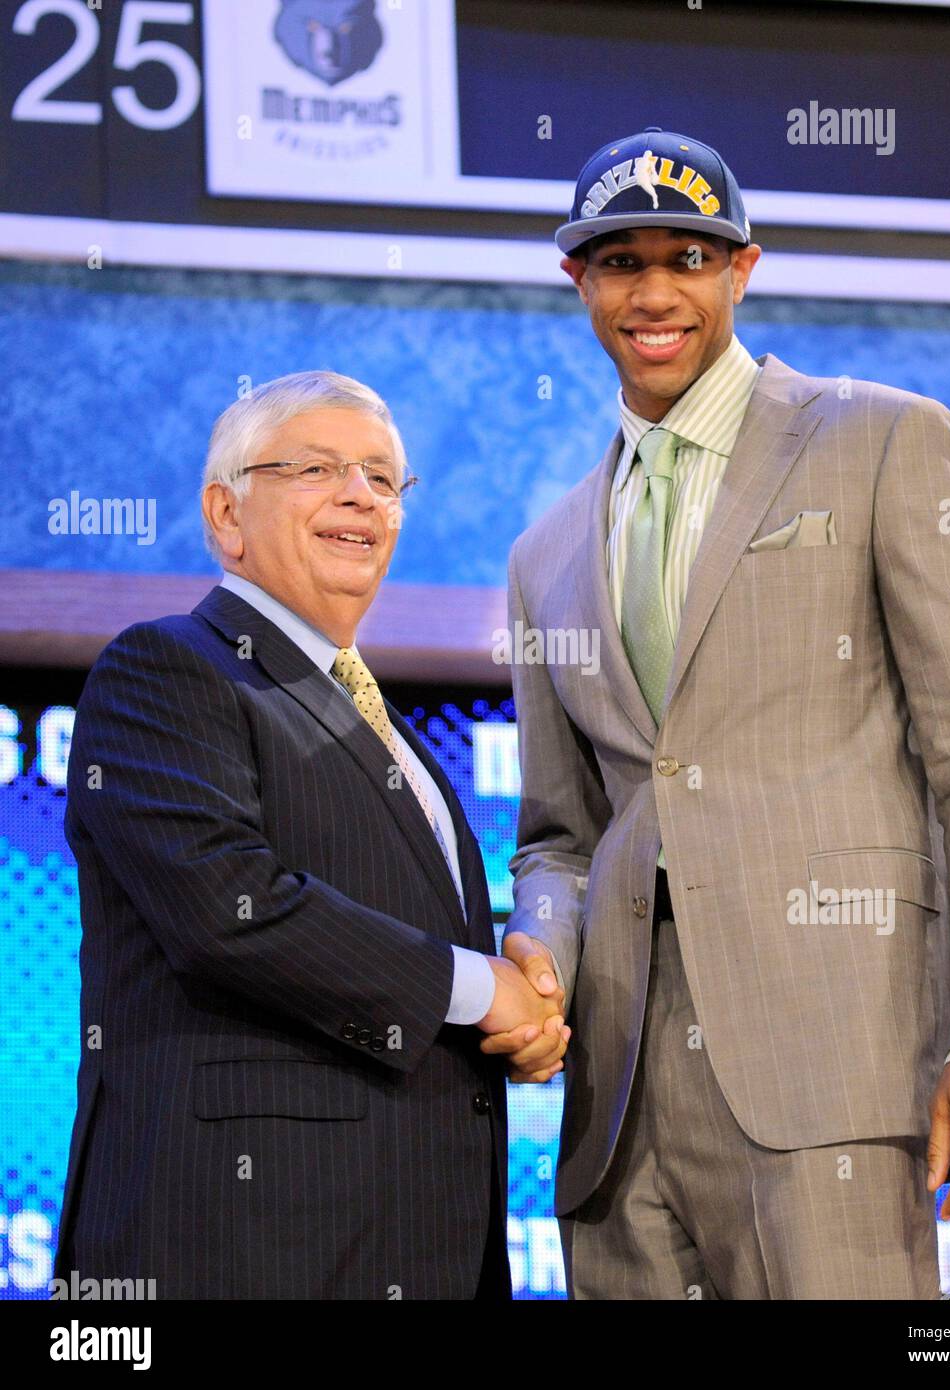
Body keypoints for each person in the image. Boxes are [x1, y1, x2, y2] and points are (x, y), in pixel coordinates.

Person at [490, 128, 950, 1299]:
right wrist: (540, 947)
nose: (654, 292)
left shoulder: (879, 438)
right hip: (616, 1107)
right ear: (577, 281)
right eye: (619, 261)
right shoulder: (543, 552)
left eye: (688, 257)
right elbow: (558, 831)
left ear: (741, 269)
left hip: (830, 1068)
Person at [55, 370, 566, 1300]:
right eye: (317, 468)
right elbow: (225, 908)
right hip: (242, 1246)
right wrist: (474, 986)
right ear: (226, 513)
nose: (359, 495)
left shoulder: (393, 731)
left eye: (382, 477)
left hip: (416, 1245)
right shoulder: (166, 668)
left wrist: (516, 1021)